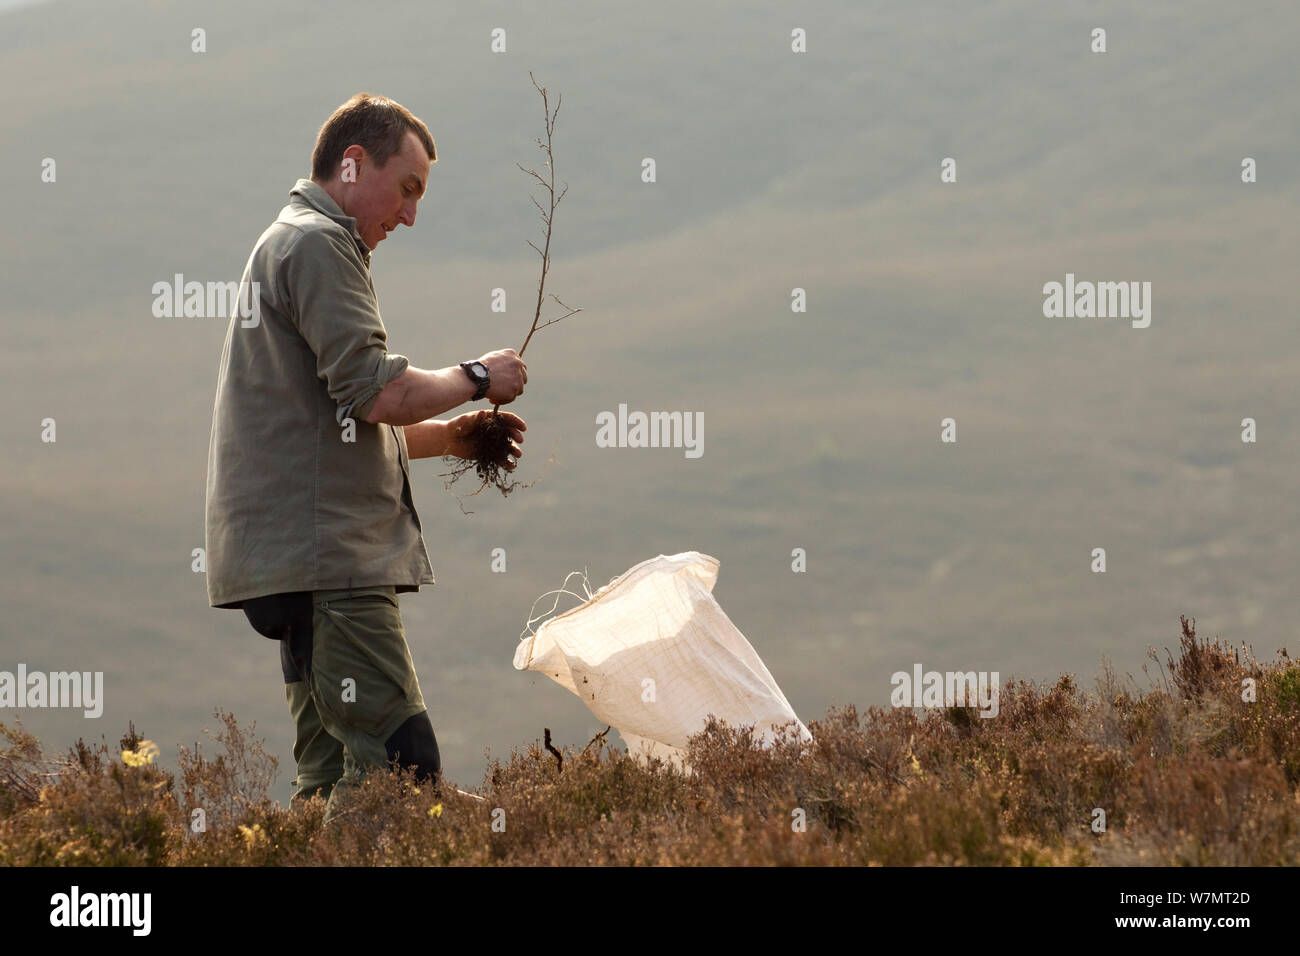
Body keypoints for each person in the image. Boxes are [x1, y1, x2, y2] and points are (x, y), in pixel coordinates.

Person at [204, 92, 528, 821]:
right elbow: (376, 393)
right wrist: (477, 376)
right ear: (352, 165)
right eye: (406, 188)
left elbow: (334, 422)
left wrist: (452, 435)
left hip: (290, 564)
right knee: (398, 769)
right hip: (330, 567)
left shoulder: (286, 243)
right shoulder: (317, 245)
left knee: (328, 779)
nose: (410, 214)